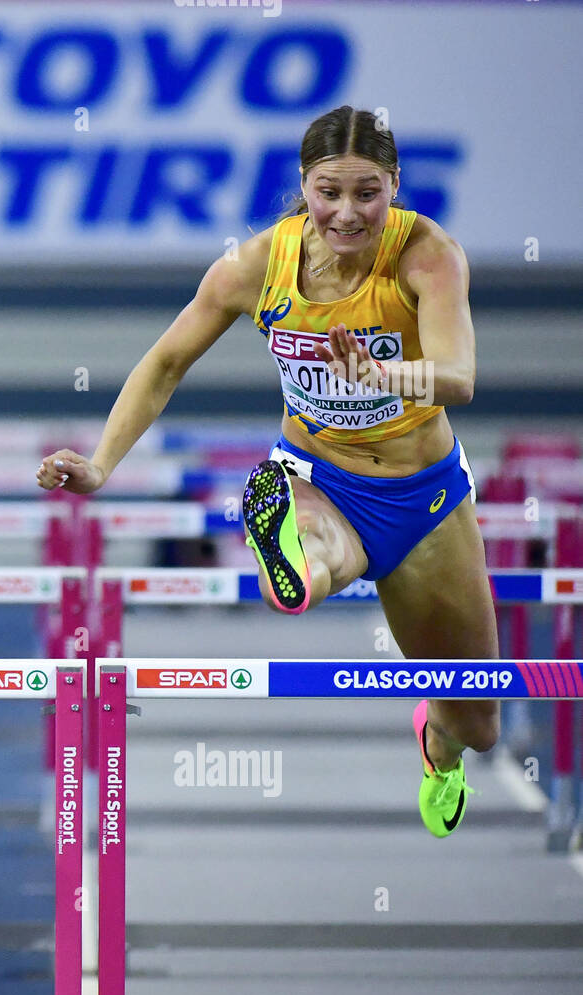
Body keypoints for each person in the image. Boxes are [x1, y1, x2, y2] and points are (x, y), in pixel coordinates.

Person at [36, 105, 496, 838]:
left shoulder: (428, 256)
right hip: (322, 476)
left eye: (368, 193)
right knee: (310, 569)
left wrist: (385, 376)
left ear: (395, 186)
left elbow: (461, 377)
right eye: (329, 191)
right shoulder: (257, 266)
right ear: (304, 186)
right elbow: (165, 362)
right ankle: (287, 534)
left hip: (424, 494)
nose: (347, 213)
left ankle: (438, 743)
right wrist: (100, 464)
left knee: (478, 721)